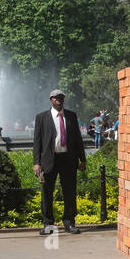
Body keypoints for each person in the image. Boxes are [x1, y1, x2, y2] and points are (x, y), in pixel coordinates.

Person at [32, 89, 86, 234]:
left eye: (61, 97)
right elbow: (37, 141)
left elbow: (78, 140)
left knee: (69, 192)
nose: (59, 100)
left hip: (68, 159)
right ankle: (48, 224)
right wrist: (36, 162)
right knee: (47, 193)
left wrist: (83, 160)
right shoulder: (42, 117)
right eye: (56, 98)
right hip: (49, 160)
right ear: (51, 100)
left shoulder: (71, 116)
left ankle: (69, 222)